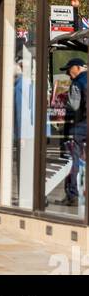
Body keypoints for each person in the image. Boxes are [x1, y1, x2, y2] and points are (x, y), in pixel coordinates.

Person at [63, 55, 87, 208]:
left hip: (82, 125)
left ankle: (72, 195)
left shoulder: (77, 83)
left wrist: (65, 98)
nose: (68, 74)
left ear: (78, 68)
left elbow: (75, 106)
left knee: (74, 159)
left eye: (69, 70)